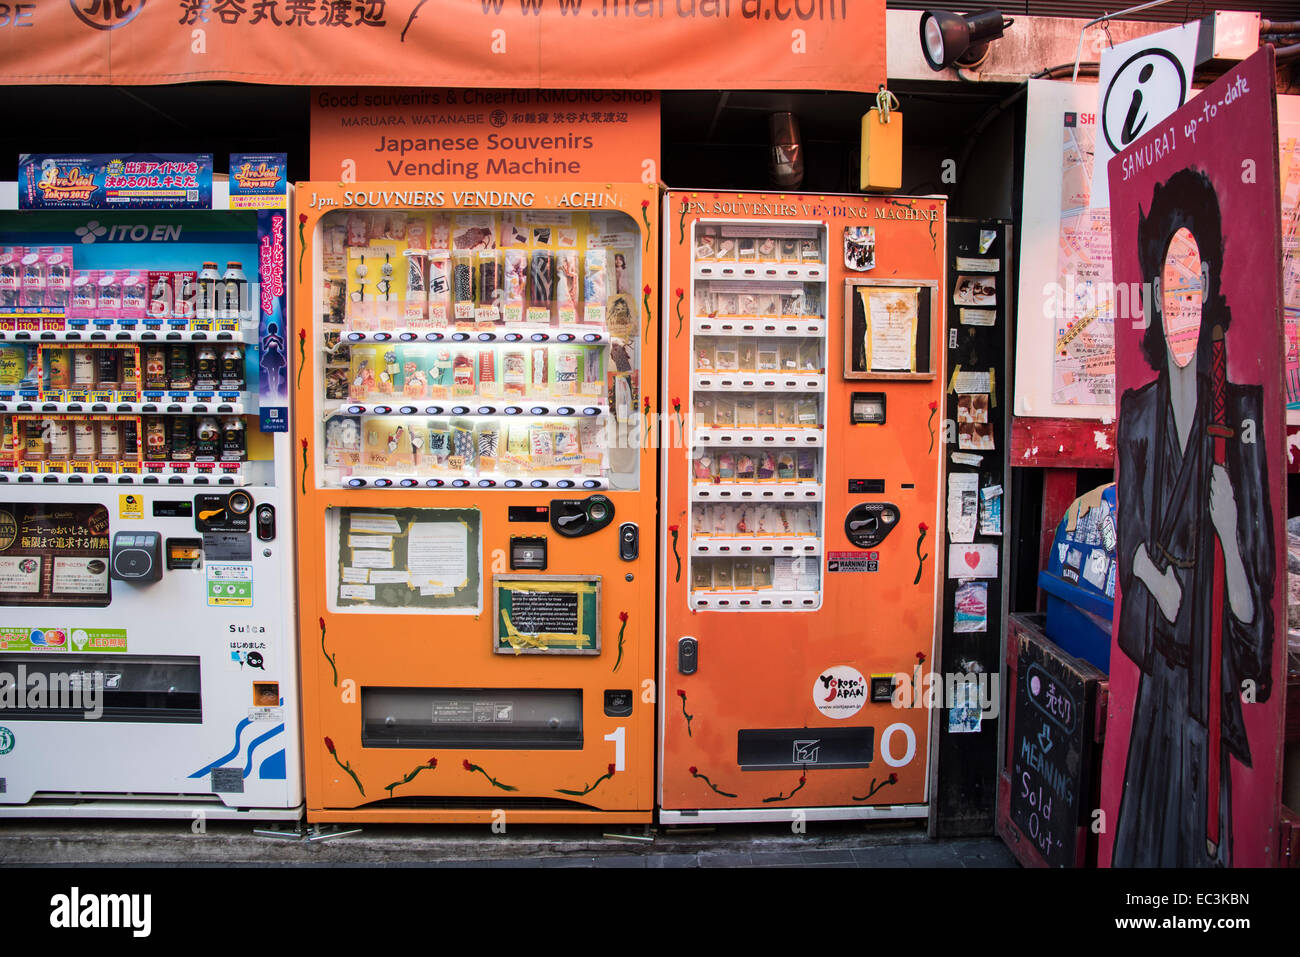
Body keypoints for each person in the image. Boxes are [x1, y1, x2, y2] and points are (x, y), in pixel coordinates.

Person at [1114, 167, 1273, 867]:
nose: (1180, 292)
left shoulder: (1239, 418)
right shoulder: (1138, 414)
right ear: (1151, 291)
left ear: (1209, 288)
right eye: (1168, 273)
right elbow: (1128, 548)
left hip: (1209, 699)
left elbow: (1255, 606)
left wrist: (1232, 541)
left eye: (1194, 272)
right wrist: (1158, 575)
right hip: (1158, 690)